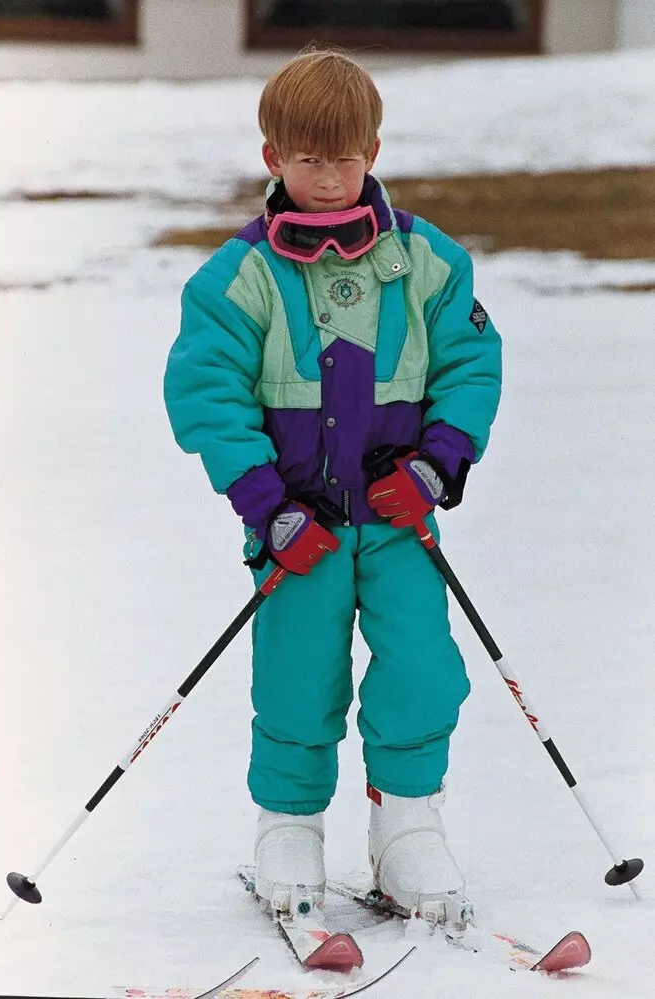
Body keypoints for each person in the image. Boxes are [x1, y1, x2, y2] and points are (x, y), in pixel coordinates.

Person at [164, 49, 502, 920]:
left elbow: (472, 362)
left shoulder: (426, 260)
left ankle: (407, 827)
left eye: (344, 158)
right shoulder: (237, 278)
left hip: (400, 519)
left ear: (374, 151)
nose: (328, 176)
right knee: (298, 675)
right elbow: (206, 394)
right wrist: (266, 508)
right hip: (299, 529)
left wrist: (435, 463)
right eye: (308, 159)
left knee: (424, 666)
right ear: (273, 157)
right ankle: (289, 824)